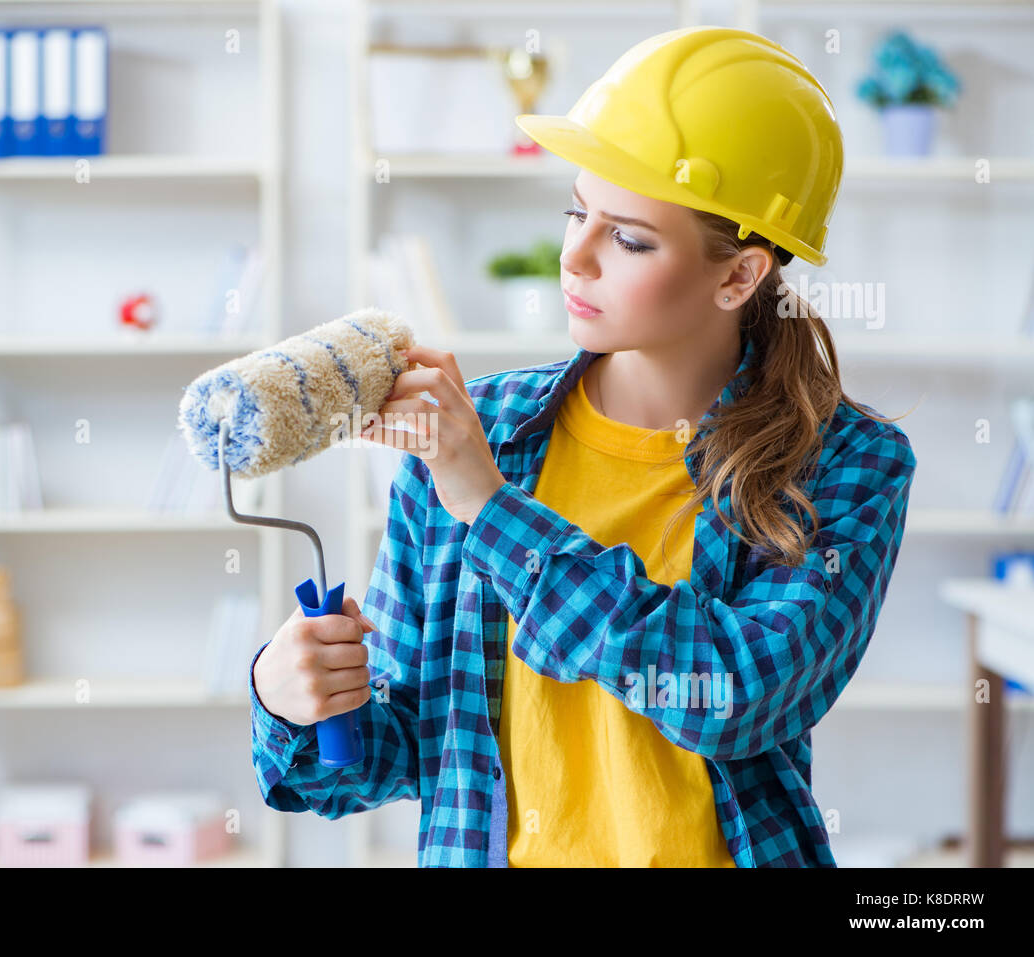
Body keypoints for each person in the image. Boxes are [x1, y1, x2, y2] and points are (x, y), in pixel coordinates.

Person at [249, 25, 917, 867]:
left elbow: (736, 694)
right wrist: (296, 702)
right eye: (576, 210)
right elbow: (409, 749)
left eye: (629, 238)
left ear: (739, 276)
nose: (574, 257)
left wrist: (491, 510)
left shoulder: (847, 464)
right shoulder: (475, 435)